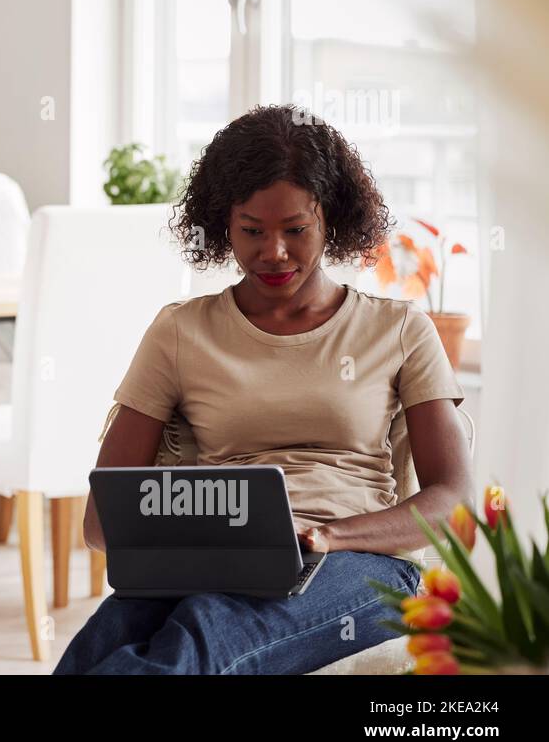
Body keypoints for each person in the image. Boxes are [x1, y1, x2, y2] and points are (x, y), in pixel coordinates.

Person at [57, 104, 472, 674]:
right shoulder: (181, 332)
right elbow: (103, 520)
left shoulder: (399, 330)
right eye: (251, 230)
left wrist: (326, 534)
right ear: (223, 225)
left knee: (204, 633)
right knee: (102, 643)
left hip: (361, 565)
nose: (273, 252)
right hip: (212, 557)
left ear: (332, 220)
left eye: (295, 230)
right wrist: (198, 543)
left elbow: (452, 500)